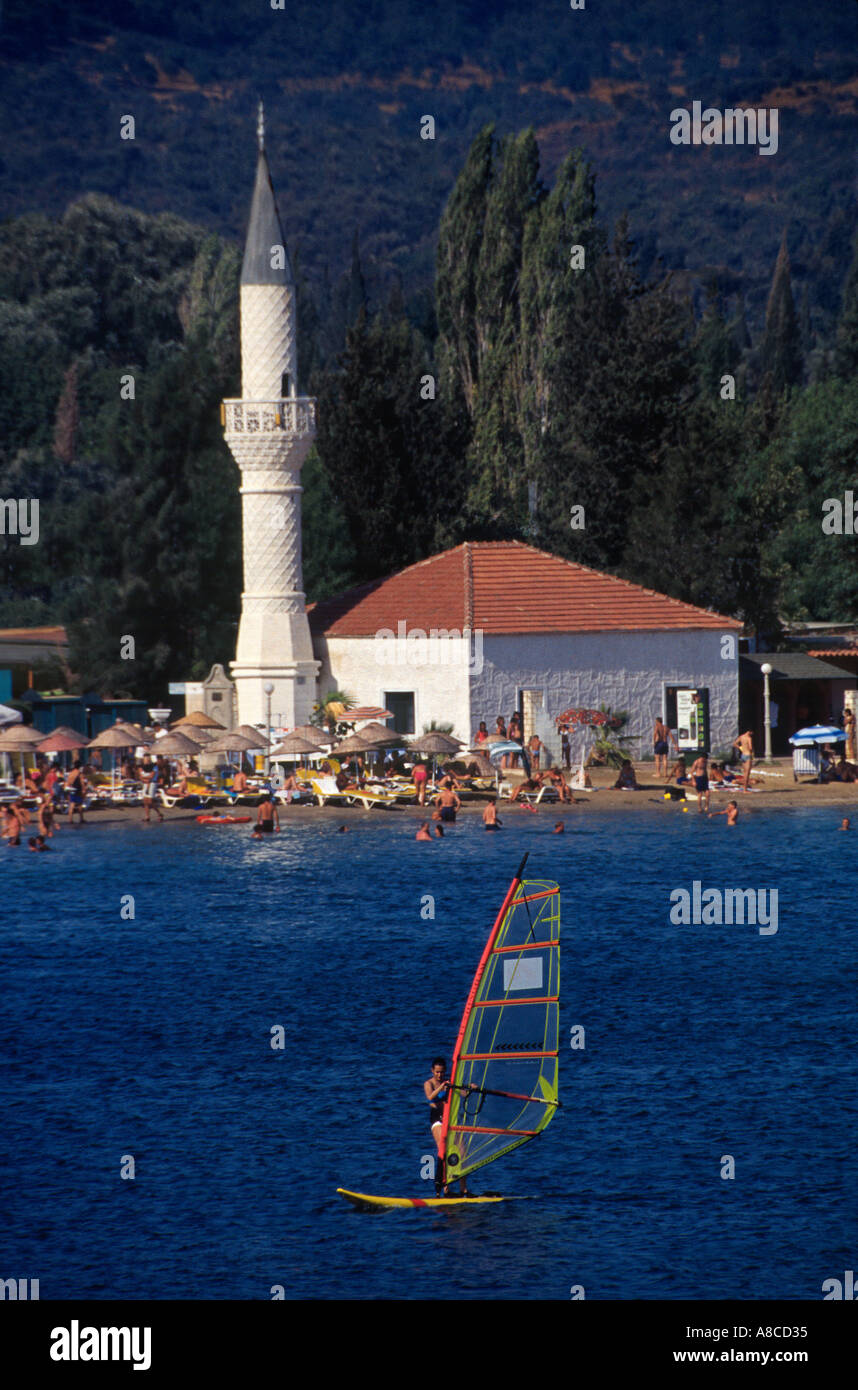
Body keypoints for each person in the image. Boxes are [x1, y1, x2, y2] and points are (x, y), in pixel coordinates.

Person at [424, 1058, 467, 1197]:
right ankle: (445, 1188)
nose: (439, 1075)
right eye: (437, 1072)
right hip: (437, 1120)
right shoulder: (429, 1083)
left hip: (450, 1120)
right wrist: (441, 1088)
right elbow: (430, 1097)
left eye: (442, 1072)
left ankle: (463, 1188)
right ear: (432, 1071)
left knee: (462, 1150)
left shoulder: (449, 1082)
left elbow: (463, 1093)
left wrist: (469, 1088)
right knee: (443, 1149)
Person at [139, 756, 163, 824]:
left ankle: (159, 813)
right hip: (145, 783)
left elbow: (151, 776)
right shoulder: (142, 767)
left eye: (147, 759)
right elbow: (140, 776)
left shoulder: (154, 767)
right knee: (145, 801)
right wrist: (145, 779)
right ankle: (147, 816)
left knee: (150, 801)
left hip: (152, 783)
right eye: (145, 760)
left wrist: (144, 777)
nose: (146, 761)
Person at [65, 760, 87, 825]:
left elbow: (68, 782)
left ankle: (70, 819)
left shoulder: (71, 773)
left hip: (71, 789)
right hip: (77, 790)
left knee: (71, 805)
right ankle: (81, 818)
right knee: (80, 805)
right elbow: (82, 783)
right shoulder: (79, 773)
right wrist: (84, 790)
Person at [653, 717, 674, 781]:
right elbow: (671, 736)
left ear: (657, 721)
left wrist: (654, 742)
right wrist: (675, 743)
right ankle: (665, 773)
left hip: (659, 743)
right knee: (665, 758)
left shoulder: (657, 726)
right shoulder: (666, 727)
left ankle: (658, 773)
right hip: (665, 743)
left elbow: (655, 734)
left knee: (657, 758)